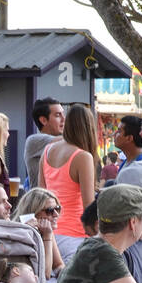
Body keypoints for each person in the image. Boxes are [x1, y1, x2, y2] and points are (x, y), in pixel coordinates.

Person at [41, 103, 101, 262]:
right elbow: (89, 206)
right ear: (89, 127)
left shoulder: (47, 151)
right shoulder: (83, 157)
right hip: (75, 236)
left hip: (50, 235)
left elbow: (39, 196)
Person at [24, 98, 64, 189]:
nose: (64, 119)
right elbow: (73, 140)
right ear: (43, 120)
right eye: (58, 115)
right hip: (41, 201)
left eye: (63, 114)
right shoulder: (34, 140)